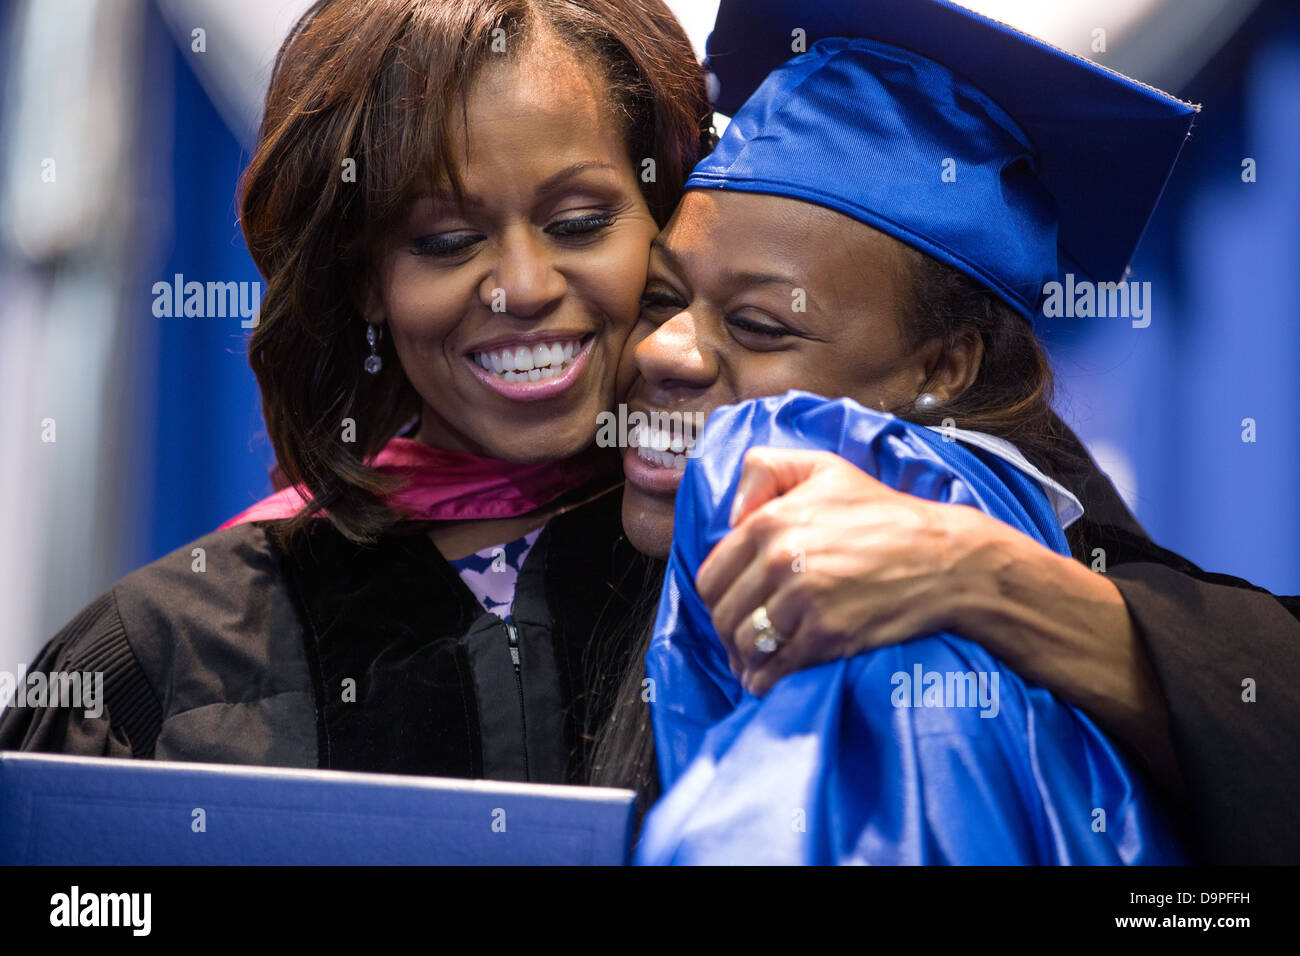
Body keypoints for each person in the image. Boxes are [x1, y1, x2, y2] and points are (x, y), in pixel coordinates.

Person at [0, 0, 710, 784]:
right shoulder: (165, 660)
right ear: (367, 277)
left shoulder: (746, 578)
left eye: (577, 223)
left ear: (667, 223)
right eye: (446, 241)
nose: (524, 287)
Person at [595, 0, 1221, 863]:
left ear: (943, 369)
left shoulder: (880, 611)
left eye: (760, 326)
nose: (662, 349)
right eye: (662, 296)